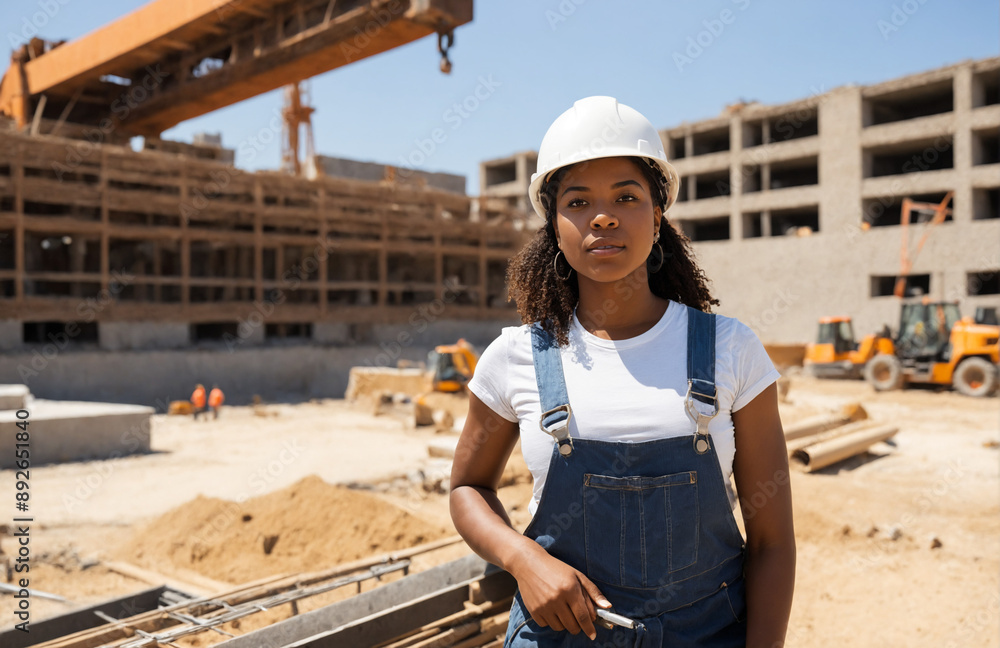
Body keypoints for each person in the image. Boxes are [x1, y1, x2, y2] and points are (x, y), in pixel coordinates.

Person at [449, 97, 795, 647]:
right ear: (554, 224)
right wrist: (523, 560)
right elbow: (468, 487)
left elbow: (773, 542)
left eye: (626, 197)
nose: (603, 216)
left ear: (657, 217)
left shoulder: (731, 349)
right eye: (578, 200)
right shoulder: (516, 355)